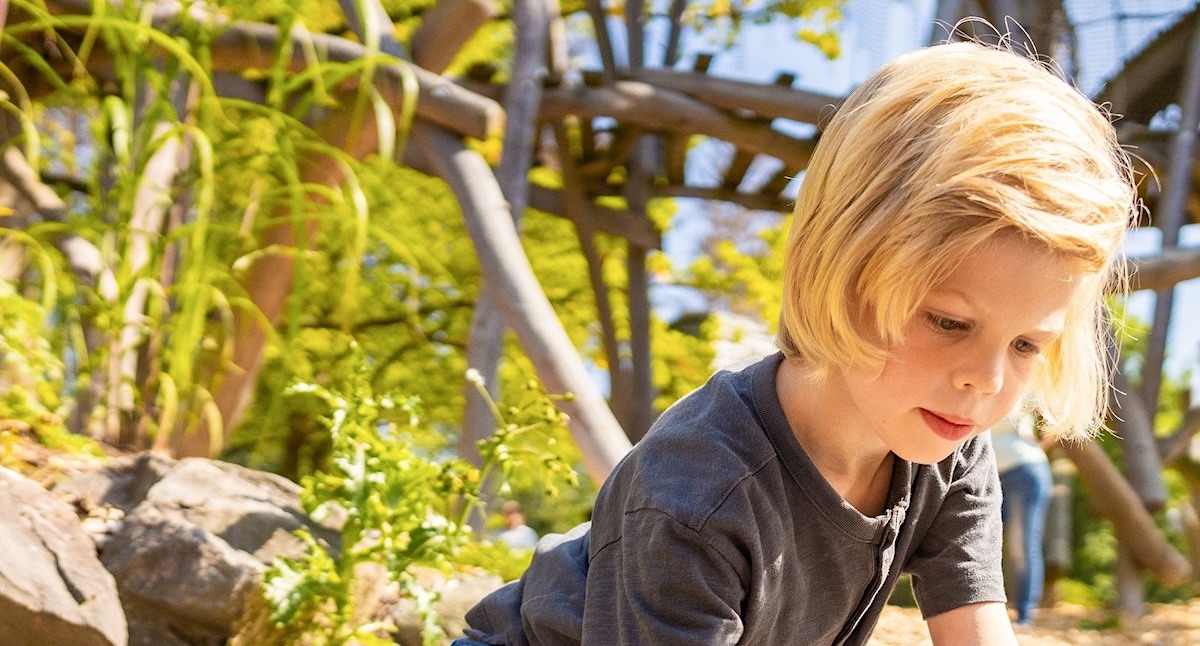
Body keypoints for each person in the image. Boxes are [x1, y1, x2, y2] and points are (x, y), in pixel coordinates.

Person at [453, 38, 1137, 646]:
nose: (985, 380)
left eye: (1025, 345)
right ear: (844, 276)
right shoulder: (700, 492)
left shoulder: (951, 449)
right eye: (949, 323)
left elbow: (977, 629)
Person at [992, 412, 1054, 626]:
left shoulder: (1025, 385)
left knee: (1021, 545)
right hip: (990, 472)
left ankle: (1025, 615)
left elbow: (1061, 415)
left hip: (1025, 470)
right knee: (982, 542)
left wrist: (1040, 444)